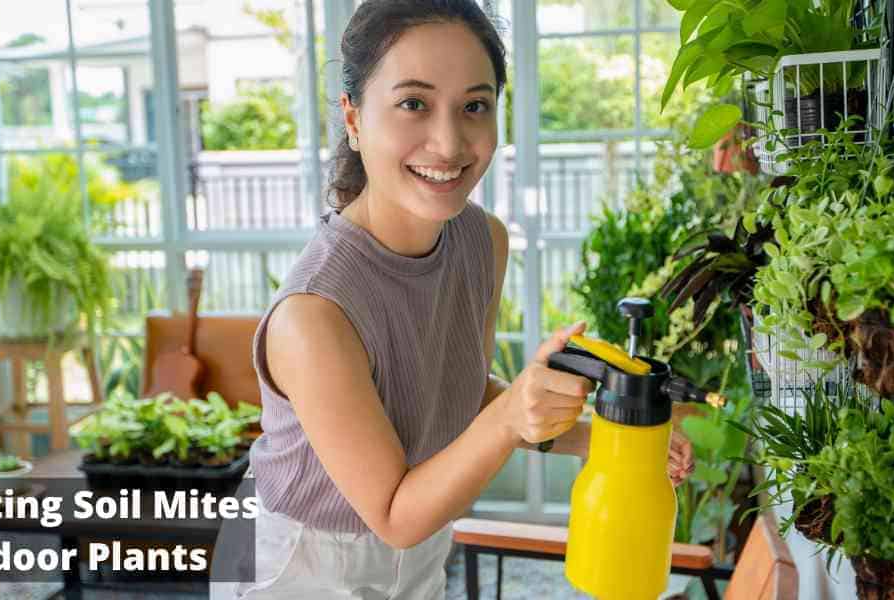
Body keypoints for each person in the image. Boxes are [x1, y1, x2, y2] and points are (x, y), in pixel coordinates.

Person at [224, 1, 694, 597]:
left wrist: (597, 433)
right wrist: (510, 412)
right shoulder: (315, 315)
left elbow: (464, 392)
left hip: (421, 547)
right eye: (413, 103)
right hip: (301, 566)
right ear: (353, 118)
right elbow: (395, 513)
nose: (448, 143)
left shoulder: (480, 240)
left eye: (475, 106)